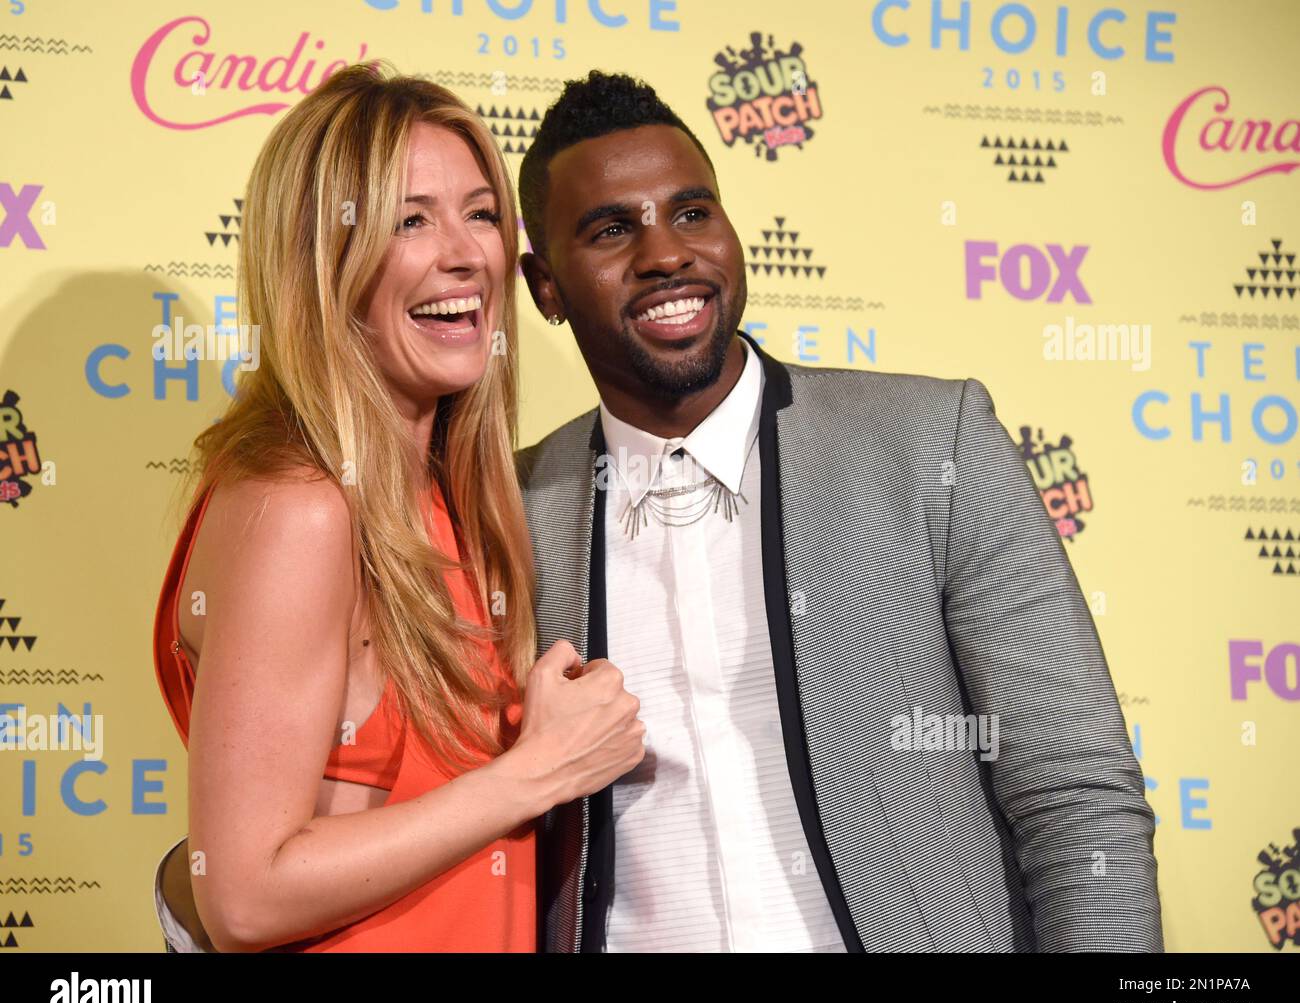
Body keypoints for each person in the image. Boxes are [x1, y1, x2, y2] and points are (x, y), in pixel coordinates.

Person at [514, 71, 1163, 953]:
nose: (666, 254)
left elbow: (1077, 794)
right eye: (612, 229)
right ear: (545, 286)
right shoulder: (508, 511)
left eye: (693, 213)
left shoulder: (932, 443)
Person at [150, 63, 644, 953]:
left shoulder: (461, 500)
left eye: (481, 213)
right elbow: (244, 896)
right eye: (409, 220)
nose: (466, 253)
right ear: (321, 260)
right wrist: (534, 775)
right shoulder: (301, 507)